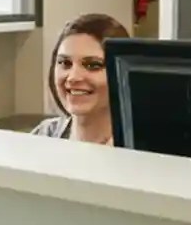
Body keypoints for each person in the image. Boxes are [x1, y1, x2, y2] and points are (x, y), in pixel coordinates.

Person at [31, 13, 130, 144]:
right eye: (65, 63)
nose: (73, 77)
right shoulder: (43, 137)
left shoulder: (145, 150)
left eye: (93, 65)